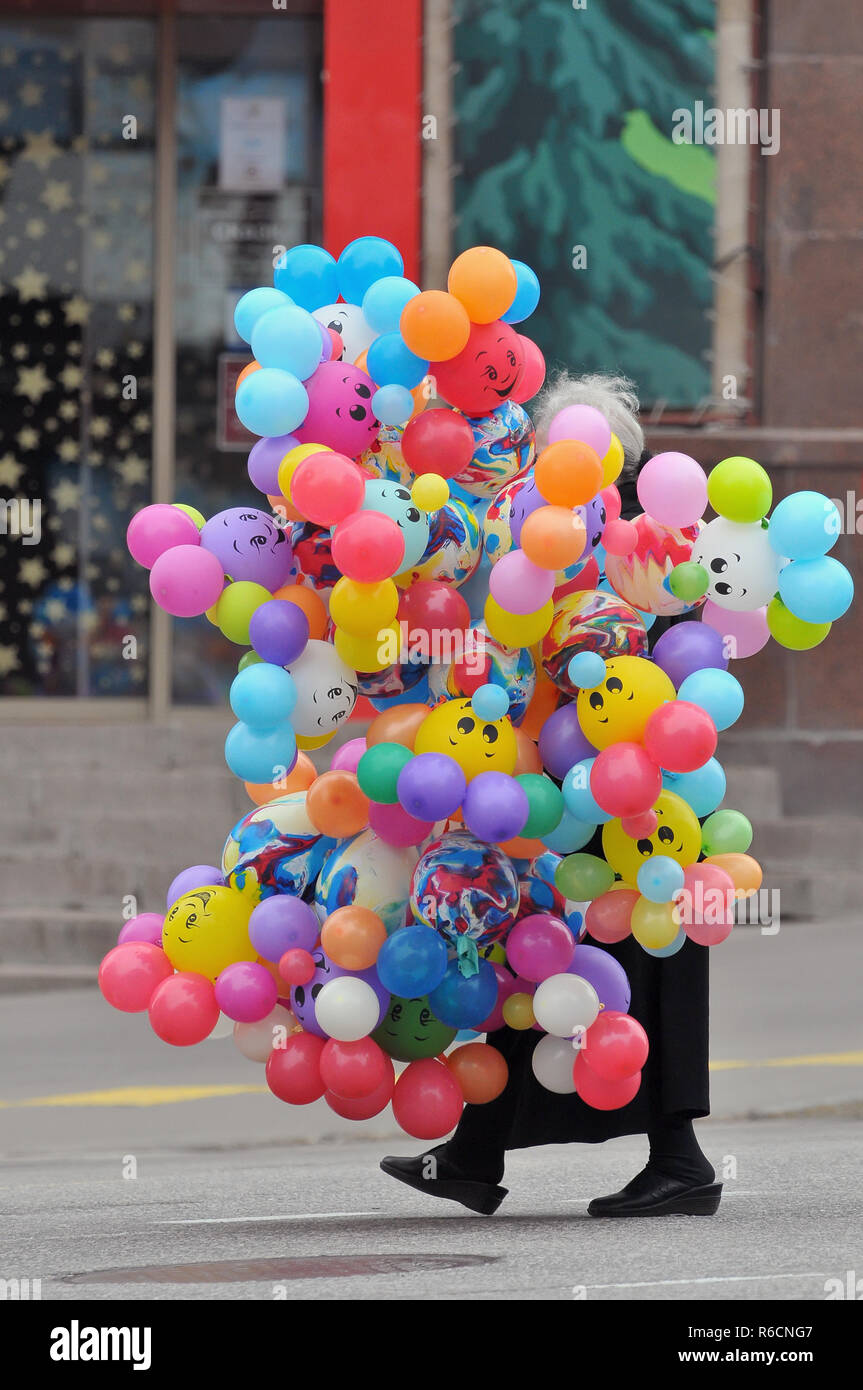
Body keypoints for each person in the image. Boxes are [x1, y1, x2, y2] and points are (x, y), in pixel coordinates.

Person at [380, 372, 722, 1219]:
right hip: (596, 789)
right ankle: (475, 1152)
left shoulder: (631, 541)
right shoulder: (587, 534)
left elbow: (664, 658)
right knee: (541, 955)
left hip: (634, 797)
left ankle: (679, 1162)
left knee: (597, 958)